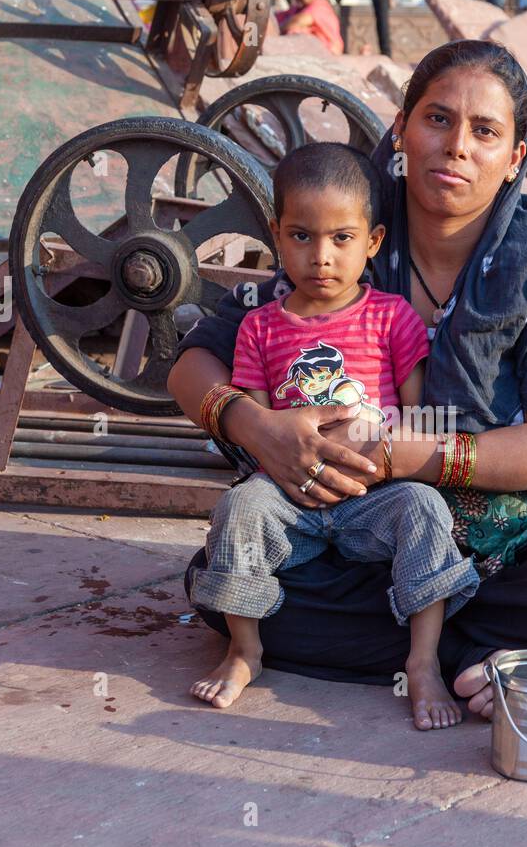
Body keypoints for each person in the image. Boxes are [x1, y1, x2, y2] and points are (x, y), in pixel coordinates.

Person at [168, 40, 527, 720]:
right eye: (437, 119)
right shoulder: (348, 231)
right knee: (221, 580)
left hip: (523, 523)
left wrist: (402, 454)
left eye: (485, 132)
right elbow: (195, 360)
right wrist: (256, 426)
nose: (456, 146)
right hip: (370, 519)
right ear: (401, 128)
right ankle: (499, 652)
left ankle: (443, 643)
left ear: (515, 159)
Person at [188, 142, 480, 730]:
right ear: (276, 234)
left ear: (372, 242)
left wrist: (380, 440)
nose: (321, 258)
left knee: (424, 507)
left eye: (341, 239)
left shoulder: (390, 317)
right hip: (289, 499)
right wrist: (275, 452)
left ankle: (421, 663)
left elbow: (419, 418)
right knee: (239, 506)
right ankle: (245, 651)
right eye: (301, 236)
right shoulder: (259, 328)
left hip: (372, 498)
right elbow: (256, 423)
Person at [277, 0, 344, 55]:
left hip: (327, 53)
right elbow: (275, 19)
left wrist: (279, 28)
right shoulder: (296, 9)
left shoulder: (321, 4)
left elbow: (302, 20)